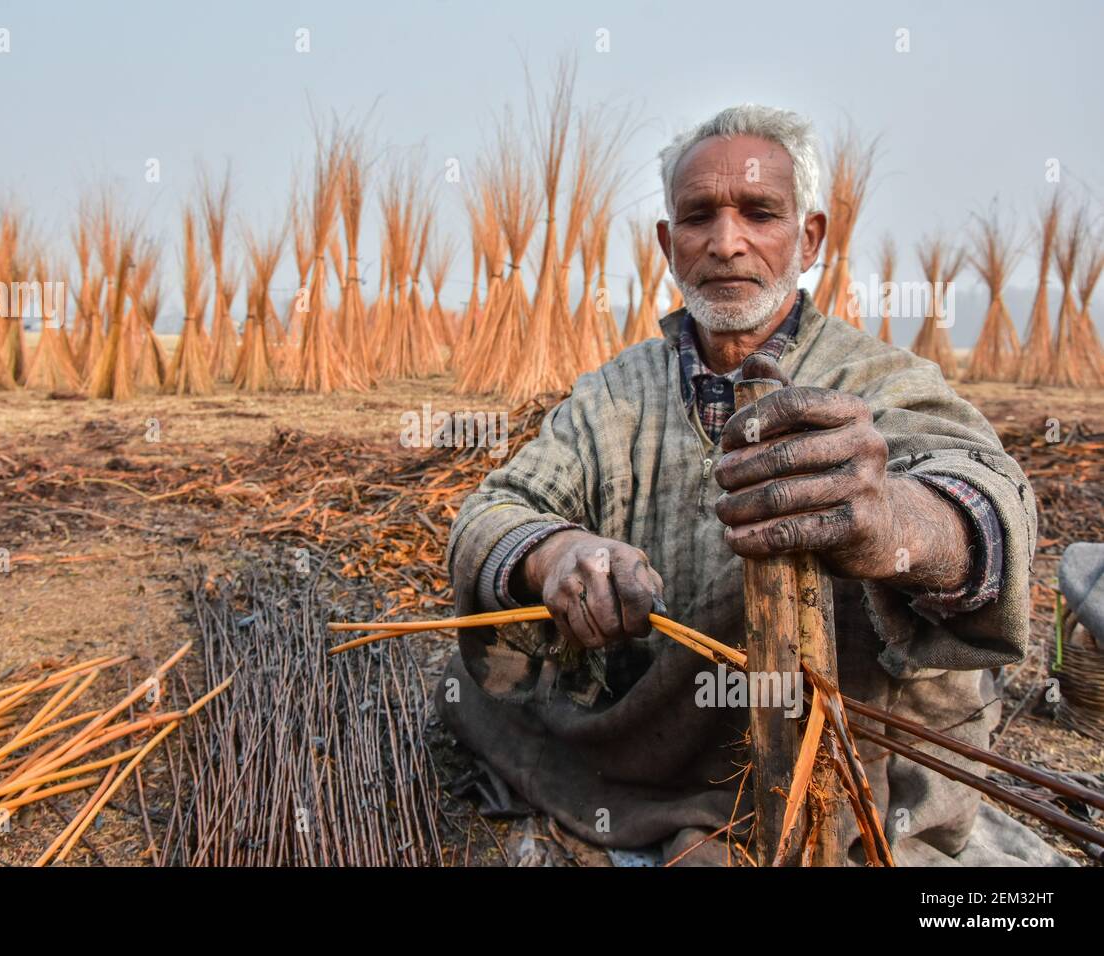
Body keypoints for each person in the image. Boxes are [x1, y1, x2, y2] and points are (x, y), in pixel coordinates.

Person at [438, 104, 1066, 866]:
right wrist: (559, 553)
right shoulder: (613, 397)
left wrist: (894, 522)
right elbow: (494, 510)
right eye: (699, 216)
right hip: (661, 756)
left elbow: (989, 496)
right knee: (475, 689)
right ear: (669, 245)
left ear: (808, 239)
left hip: (852, 774)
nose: (727, 241)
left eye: (760, 213)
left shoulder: (880, 381)